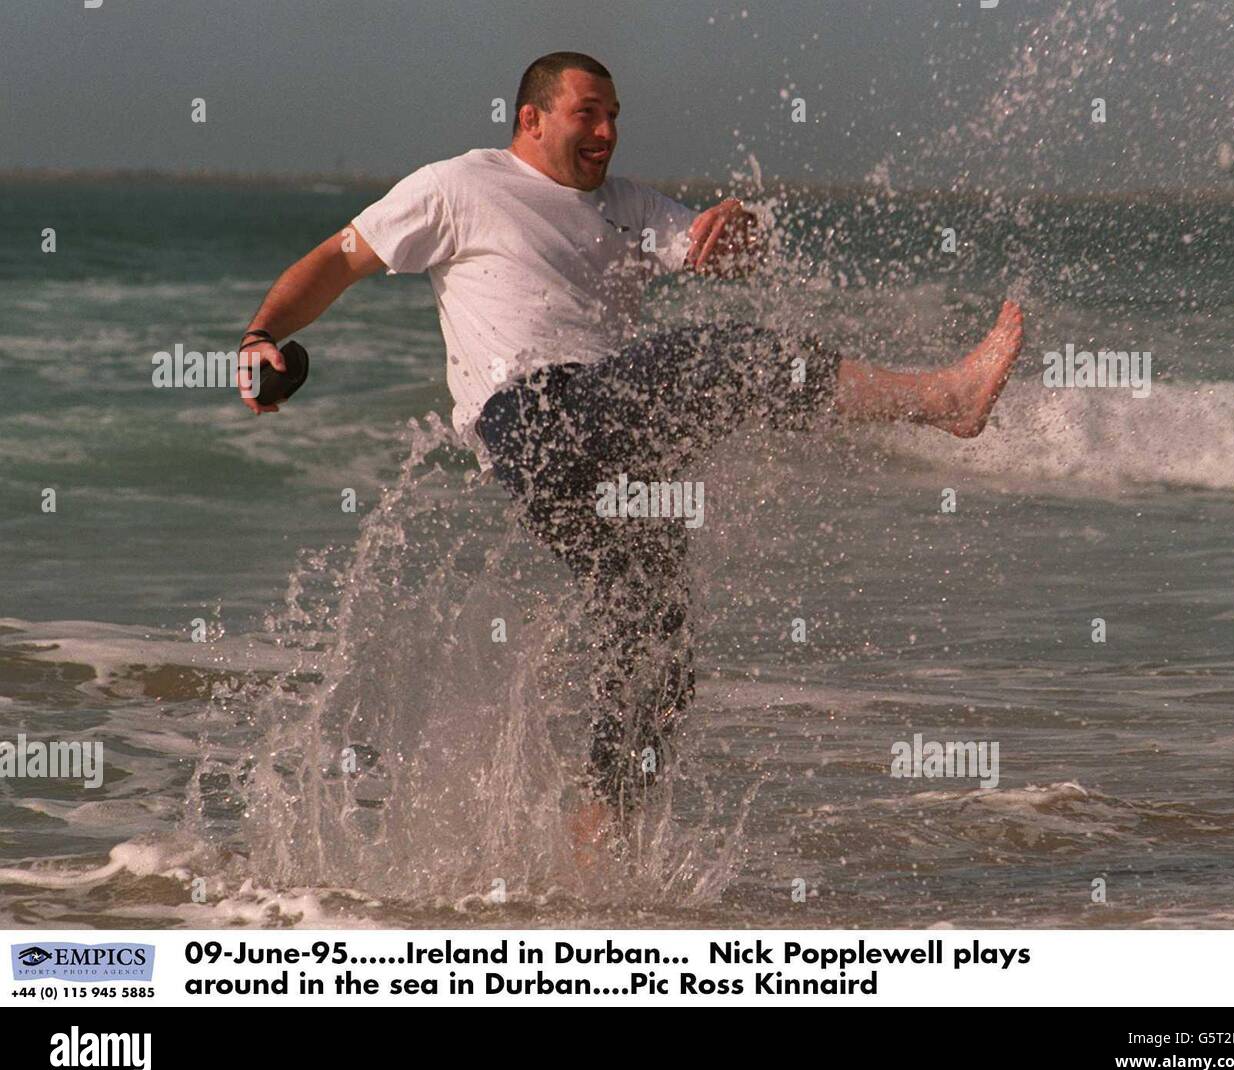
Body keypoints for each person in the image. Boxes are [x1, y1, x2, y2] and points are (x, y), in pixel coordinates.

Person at [237, 51, 1024, 848]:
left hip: (609, 445)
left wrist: (739, 239)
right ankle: (945, 401)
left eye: (614, 115)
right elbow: (341, 260)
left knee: (659, 652)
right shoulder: (457, 186)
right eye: (588, 113)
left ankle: (596, 837)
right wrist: (264, 334)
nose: (607, 131)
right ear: (531, 119)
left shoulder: (630, 206)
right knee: (730, 358)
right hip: (537, 422)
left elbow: (716, 251)